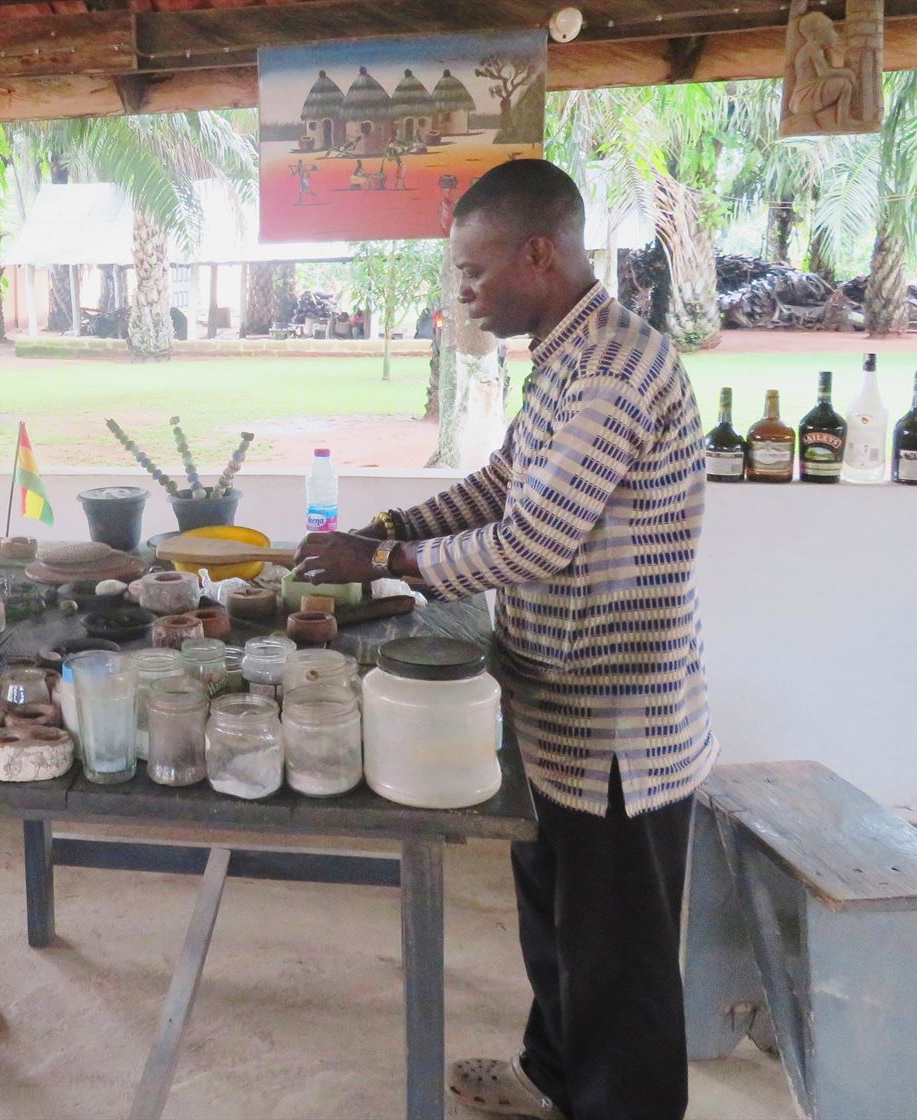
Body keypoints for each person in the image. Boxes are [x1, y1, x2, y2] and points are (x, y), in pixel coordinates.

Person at [292, 159, 714, 1120]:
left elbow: (535, 536)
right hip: (554, 701)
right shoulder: (567, 357)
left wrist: (388, 563)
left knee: (621, 961)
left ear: (539, 252)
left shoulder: (616, 368)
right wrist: (391, 528)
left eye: (475, 273)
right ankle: (555, 1080)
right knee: (557, 925)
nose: (464, 294)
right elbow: (498, 486)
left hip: (622, 732)